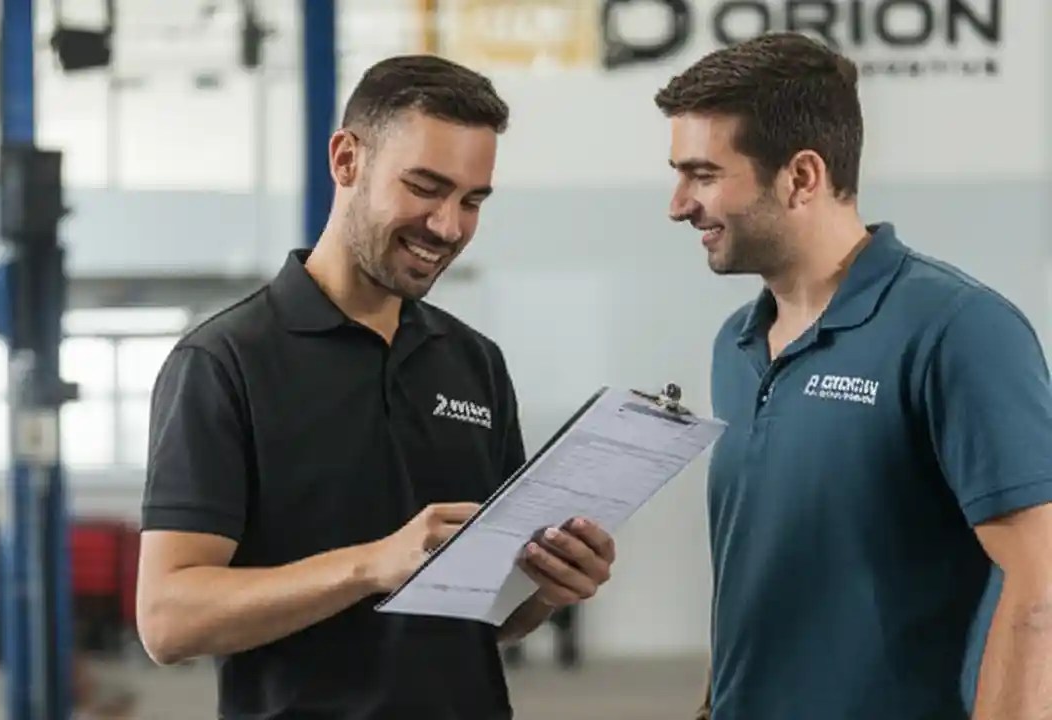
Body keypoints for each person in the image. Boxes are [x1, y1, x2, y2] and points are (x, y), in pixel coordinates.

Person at [135, 54, 618, 719]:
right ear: (346, 160)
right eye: (425, 186)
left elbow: (489, 616)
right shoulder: (225, 362)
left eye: (471, 200)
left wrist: (549, 588)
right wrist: (371, 565)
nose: (448, 226)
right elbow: (167, 620)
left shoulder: (474, 361)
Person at [653, 32, 1052, 720]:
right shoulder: (736, 346)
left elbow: (1039, 580)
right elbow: (759, 565)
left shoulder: (958, 329)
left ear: (801, 176)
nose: (678, 203)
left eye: (704, 174)